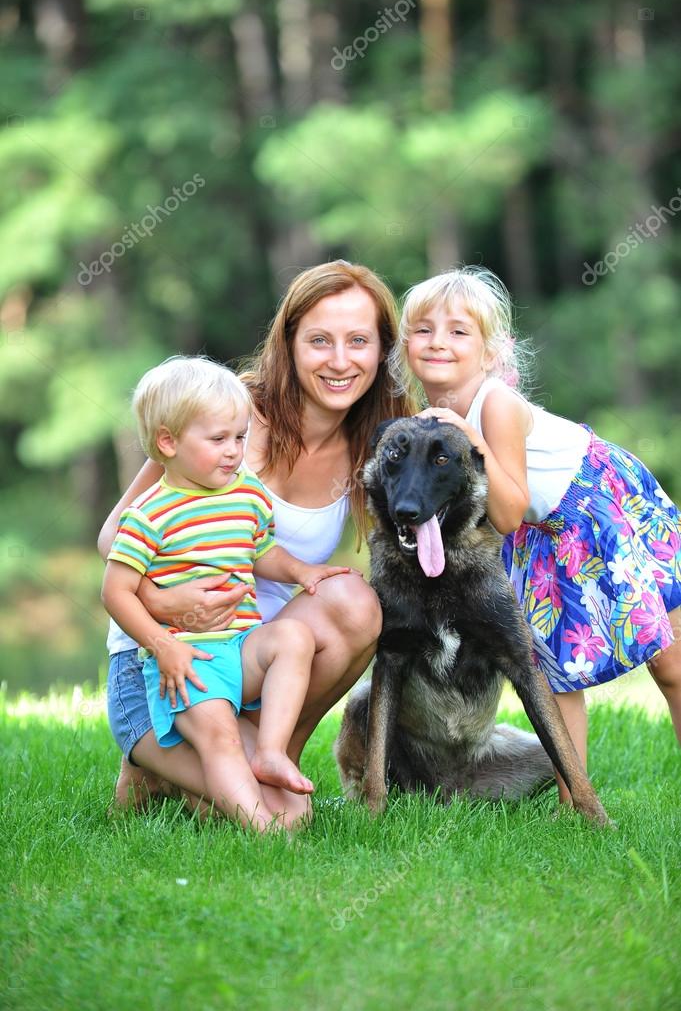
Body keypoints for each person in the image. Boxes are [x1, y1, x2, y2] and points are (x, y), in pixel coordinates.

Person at [99, 260, 416, 825]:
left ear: (382, 350)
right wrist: (164, 602)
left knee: (354, 602)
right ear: (289, 343)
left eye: (358, 341)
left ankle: (271, 756)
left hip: (253, 655)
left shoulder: (377, 440)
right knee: (276, 818)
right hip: (172, 656)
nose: (339, 361)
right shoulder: (224, 415)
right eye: (319, 340)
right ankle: (162, 758)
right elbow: (112, 538)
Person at [393, 265, 681, 804]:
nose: (438, 342)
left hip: (600, 505)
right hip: (543, 537)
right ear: (405, 344)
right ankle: (576, 803)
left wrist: (472, 439)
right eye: (423, 329)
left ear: (490, 351)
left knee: (670, 661)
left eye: (459, 331)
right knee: (551, 673)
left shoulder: (494, 405)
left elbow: (507, 510)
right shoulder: (428, 417)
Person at [102, 355, 353, 831]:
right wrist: (163, 645)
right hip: (185, 660)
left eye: (240, 437)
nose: (234, 452)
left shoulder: (245, 495)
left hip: (237, 648)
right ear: (168, 442)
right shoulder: (149, 514)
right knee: (228, 749)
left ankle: (273, 751)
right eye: (218, 440)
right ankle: (263, 834)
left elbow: (262, 551)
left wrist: (301, 570)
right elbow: (116, 593)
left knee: (293, 637)